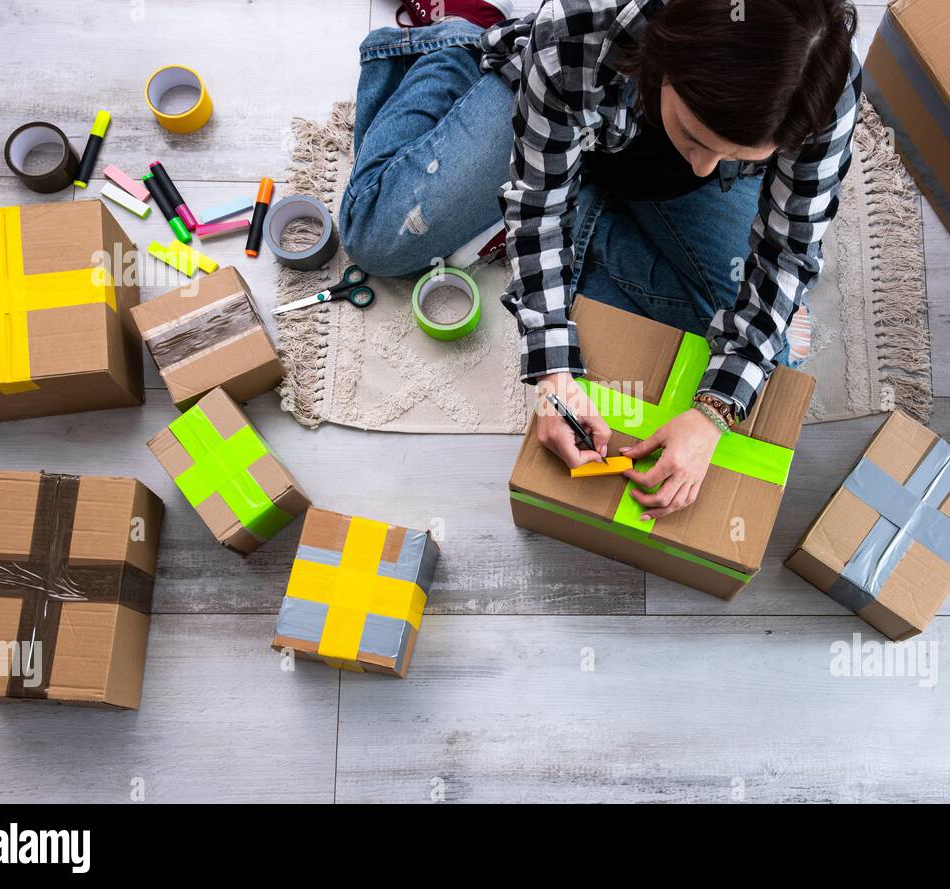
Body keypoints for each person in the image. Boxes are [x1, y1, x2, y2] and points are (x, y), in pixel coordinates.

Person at [341, 0, 860, 520]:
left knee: (771, 360)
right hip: (557, 108)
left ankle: (590, 218)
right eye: (698, 137)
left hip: (640, 168)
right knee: (376, 240)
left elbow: (786, 254)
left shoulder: (819, 85)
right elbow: (538, 208)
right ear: (667, 60)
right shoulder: (580, 27)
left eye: (737, 156)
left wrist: (712, 416)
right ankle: (457, 43)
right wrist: (553, 374)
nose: (705, 168)